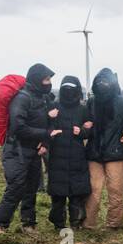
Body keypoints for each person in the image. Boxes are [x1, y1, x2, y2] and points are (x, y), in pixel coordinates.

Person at [0, 63, 55, 233]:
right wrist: (45, 134)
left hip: (33, 149)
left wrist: (44, 142)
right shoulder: (22, 98)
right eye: (46, 79)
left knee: (31, 187)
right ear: (36, 79)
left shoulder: (42, 98)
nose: (49, 83)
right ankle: (0, 225)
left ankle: (29, 223)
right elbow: (18, 127)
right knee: (16, 186)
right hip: (16, 150)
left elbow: (43, 122)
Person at [83, 68, 123, 229]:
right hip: (94, 152)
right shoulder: (91, 102)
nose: (102, 85)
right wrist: (86, 127)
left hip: (117, 152)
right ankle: (89, 223)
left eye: (105, 82)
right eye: (99, 82)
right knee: (92, 190)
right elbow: (85, 123)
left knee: (115, 190)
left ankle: (114, 224)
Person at [45, 75, 92, 230]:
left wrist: (83, 131)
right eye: (66, 88)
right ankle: (58, 222)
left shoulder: (83, 109)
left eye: (72, 89)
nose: (69, 92)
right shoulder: (54, 107)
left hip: (77, 155)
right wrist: (51, 130)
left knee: (76, 192)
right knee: (58, 193)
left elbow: (91, 129)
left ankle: (76, 221)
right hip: (57, 154)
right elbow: (45, 126)